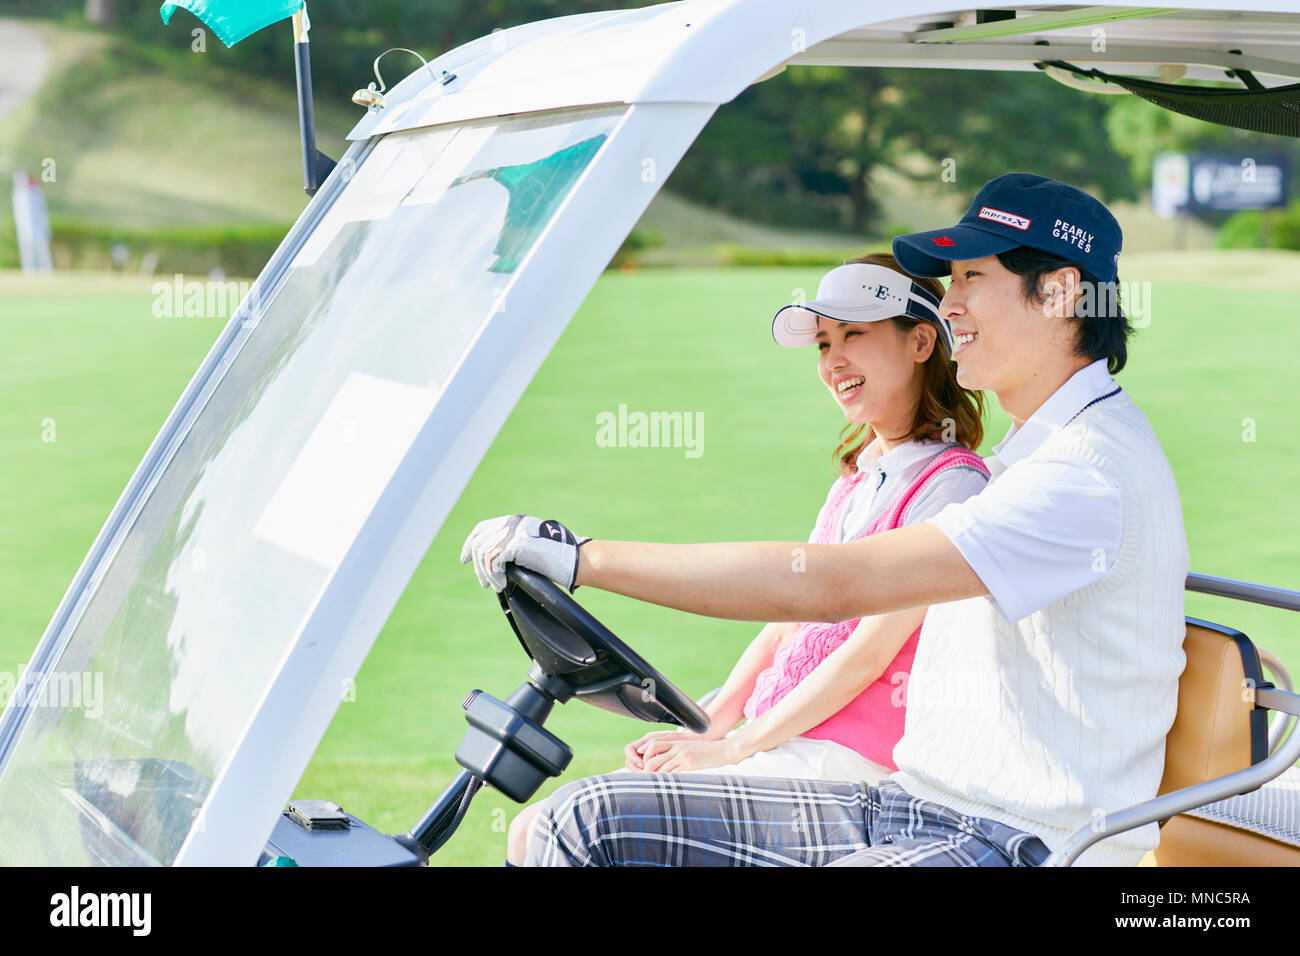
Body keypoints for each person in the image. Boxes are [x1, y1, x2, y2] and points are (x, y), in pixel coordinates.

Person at [463, 173, 1190, 867]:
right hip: (913, 802)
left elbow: (833, 585)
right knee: (578, 821)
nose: (952, 304)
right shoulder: (1029, 458)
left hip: (1012, 838)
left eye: (973, 278)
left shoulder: (1082, 473)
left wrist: (584, 558)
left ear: (1060, 291)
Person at [499, 254, 990, 865]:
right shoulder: (860, 481)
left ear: (920, 340)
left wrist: (735, 747)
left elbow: (869, 654)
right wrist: (710, 723)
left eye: (855, 335)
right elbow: (786, 620)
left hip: (849, 769)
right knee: (529, 831)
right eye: (823, 343)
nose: (833, 361)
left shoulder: (953, 487)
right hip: (786, 741)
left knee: (555, 828)